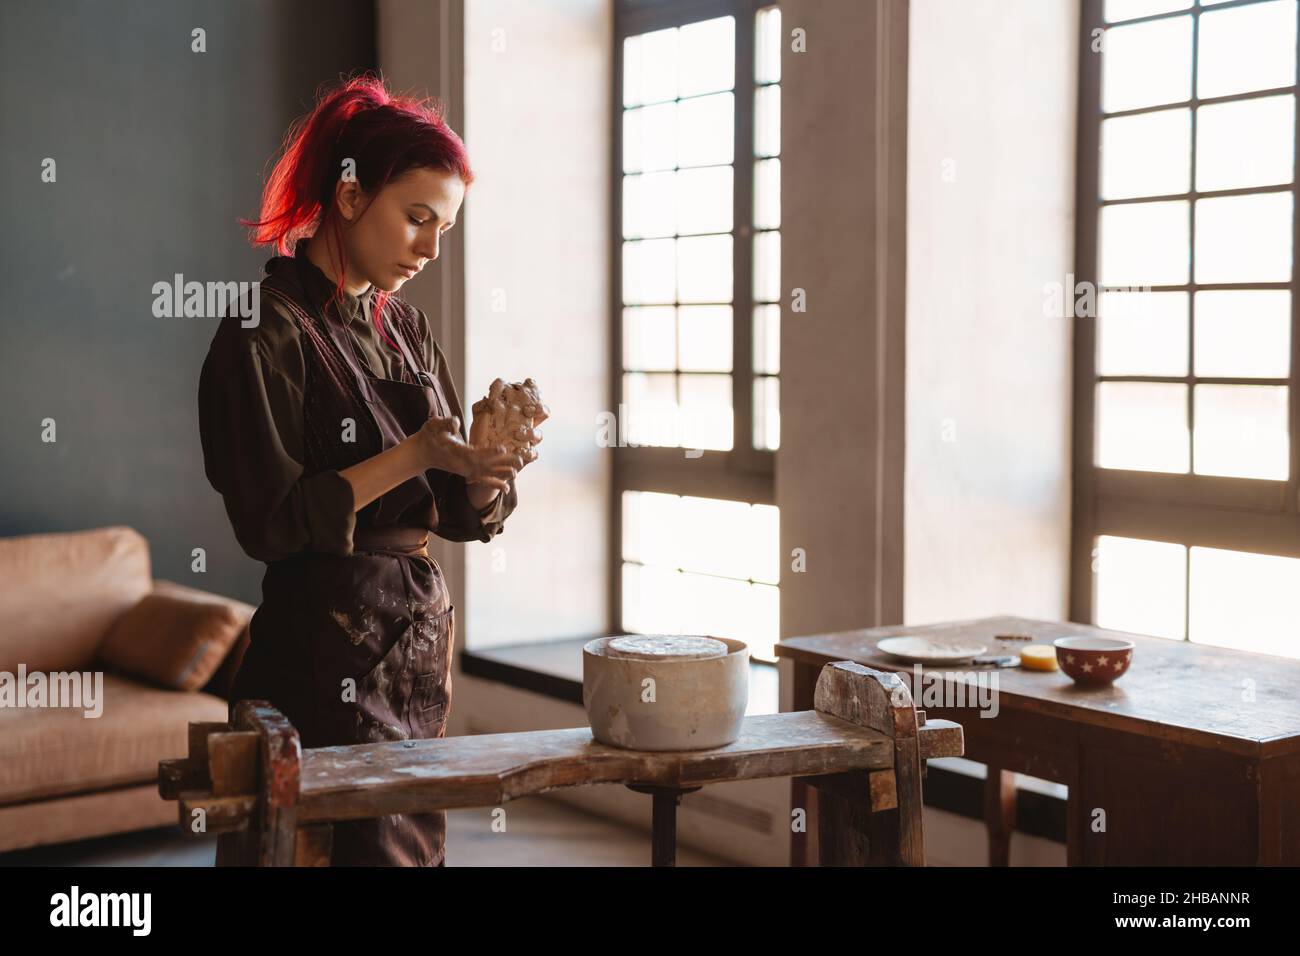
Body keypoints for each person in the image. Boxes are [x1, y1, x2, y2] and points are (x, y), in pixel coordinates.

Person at [197, 73, 541, 866]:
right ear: (349, 199)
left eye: (444, 227)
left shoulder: (407, 329)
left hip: (415, 645)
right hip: (320, 651)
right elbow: (276, 523)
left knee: (408, 844)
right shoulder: (260, 333)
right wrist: (418, 451)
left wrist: (486, 465)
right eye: (416, 218)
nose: (430, 247)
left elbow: (455, 512)